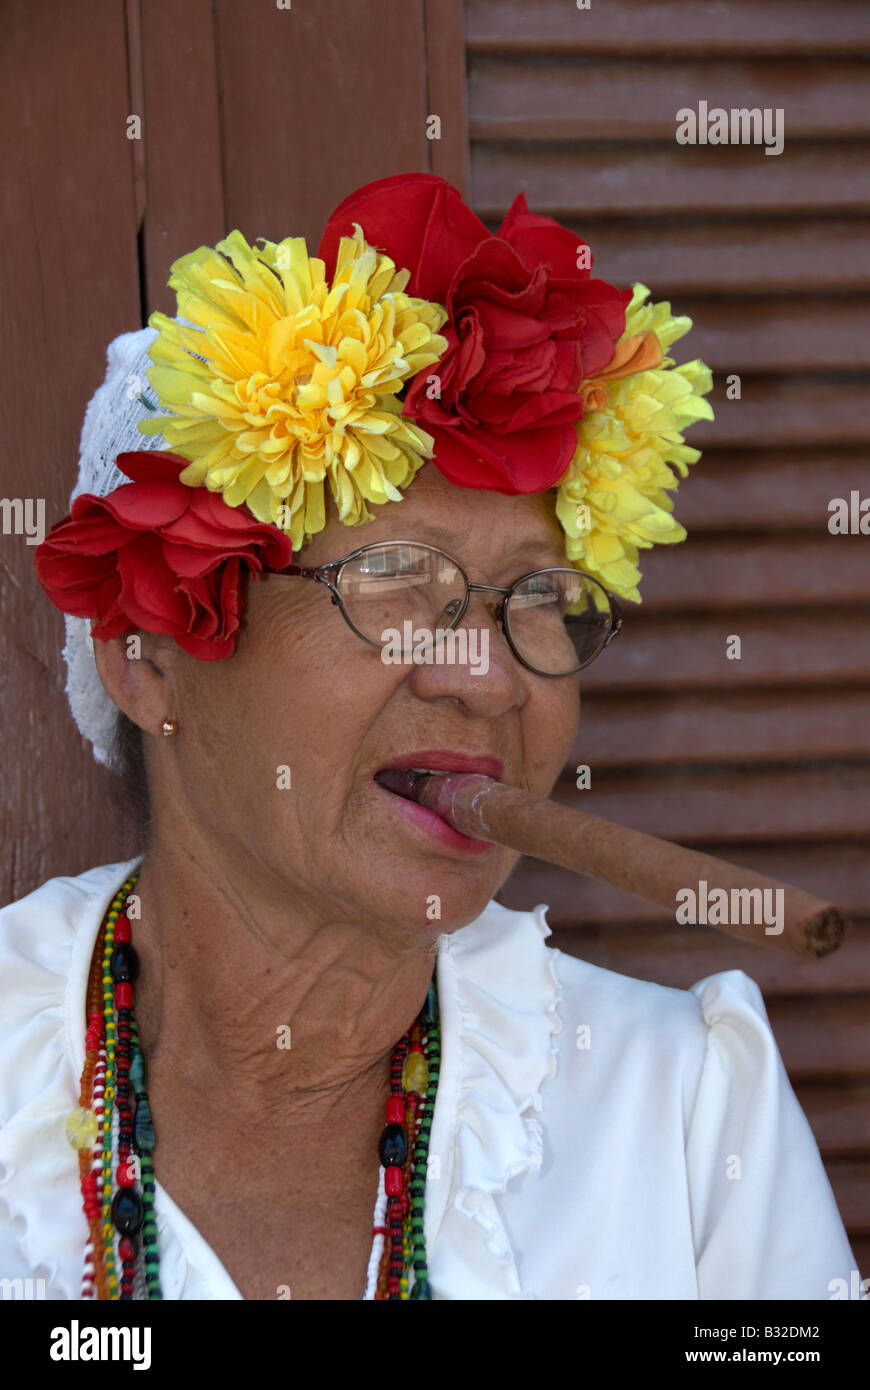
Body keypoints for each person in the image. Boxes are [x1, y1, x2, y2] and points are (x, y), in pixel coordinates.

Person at [0, 173, 860, 1301]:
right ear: (149, 655)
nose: (491, 677)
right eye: (398, 580)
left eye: (542, 593)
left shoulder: (684, 1115)